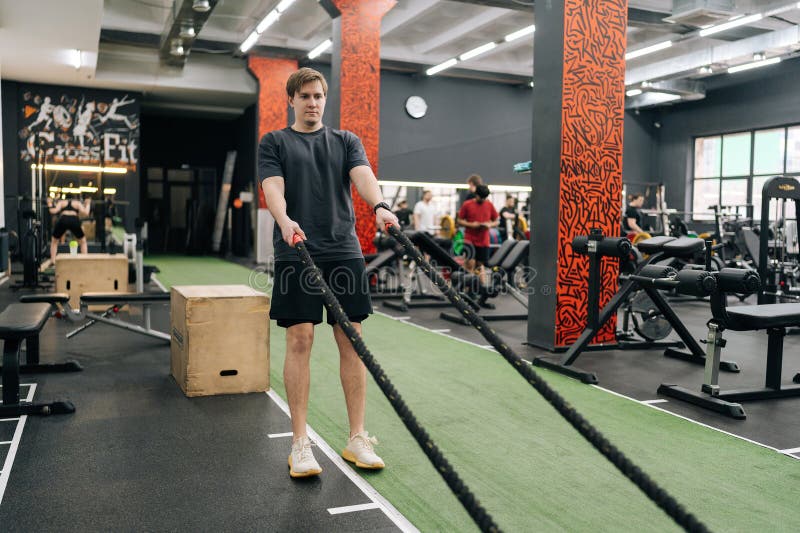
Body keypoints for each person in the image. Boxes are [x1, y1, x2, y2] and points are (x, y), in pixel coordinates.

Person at [259, 67, 398, 479]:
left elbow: (363, 179)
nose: (313, 103)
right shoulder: (275, 141)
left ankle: (357, 437)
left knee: (351, 341)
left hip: (342, 251)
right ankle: (300, 443)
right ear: (292, 100)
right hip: (296, 249)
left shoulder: (345, 141)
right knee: (300, 338)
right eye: (305, 96)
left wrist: (381, 206)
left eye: (318, 96)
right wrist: (284, 221)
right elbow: (273, 189)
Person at [457, 184, 499, 269]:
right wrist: (471, 225)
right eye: (481, 197)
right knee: (470, 264)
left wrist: (490, 224)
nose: (483, 199)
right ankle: (469, 281)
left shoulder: (489, 205)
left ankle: (481, 282)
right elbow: (459, 220)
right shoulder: (467, 204)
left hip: (483, 241)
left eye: (485, 198)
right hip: (470, 239)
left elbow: (496, 221)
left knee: (480, 266)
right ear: (476, 195)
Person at [48, 193, 91, 262]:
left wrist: (49, 203)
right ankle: (84, 260)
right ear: (74, 198)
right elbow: (86, 212)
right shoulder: (77, 203)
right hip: (74, 220)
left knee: (54, 241)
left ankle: (53, 261)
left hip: (63, 220)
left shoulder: (62, 202)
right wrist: (88, 204)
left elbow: (53, 211)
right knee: (83, 242)